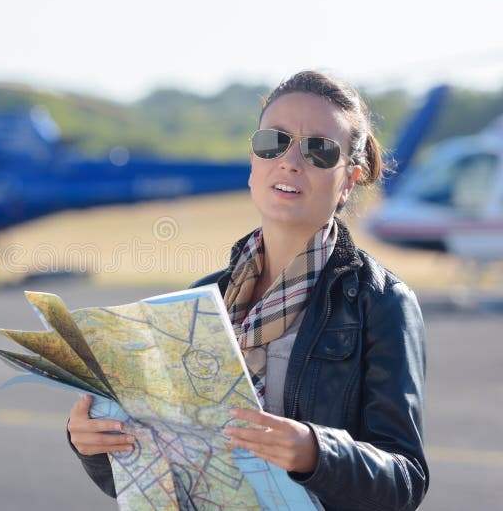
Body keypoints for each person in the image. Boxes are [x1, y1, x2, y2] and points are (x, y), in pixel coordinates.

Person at [66, 70, 428, 511]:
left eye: (318, 149)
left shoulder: (382, 301)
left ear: (348, 181)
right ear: (254, 162)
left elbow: (405, 479)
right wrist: (95, 445)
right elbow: (157, 464)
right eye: (274, 141)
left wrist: (316, 453)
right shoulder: (200, 300)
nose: (291, 161)